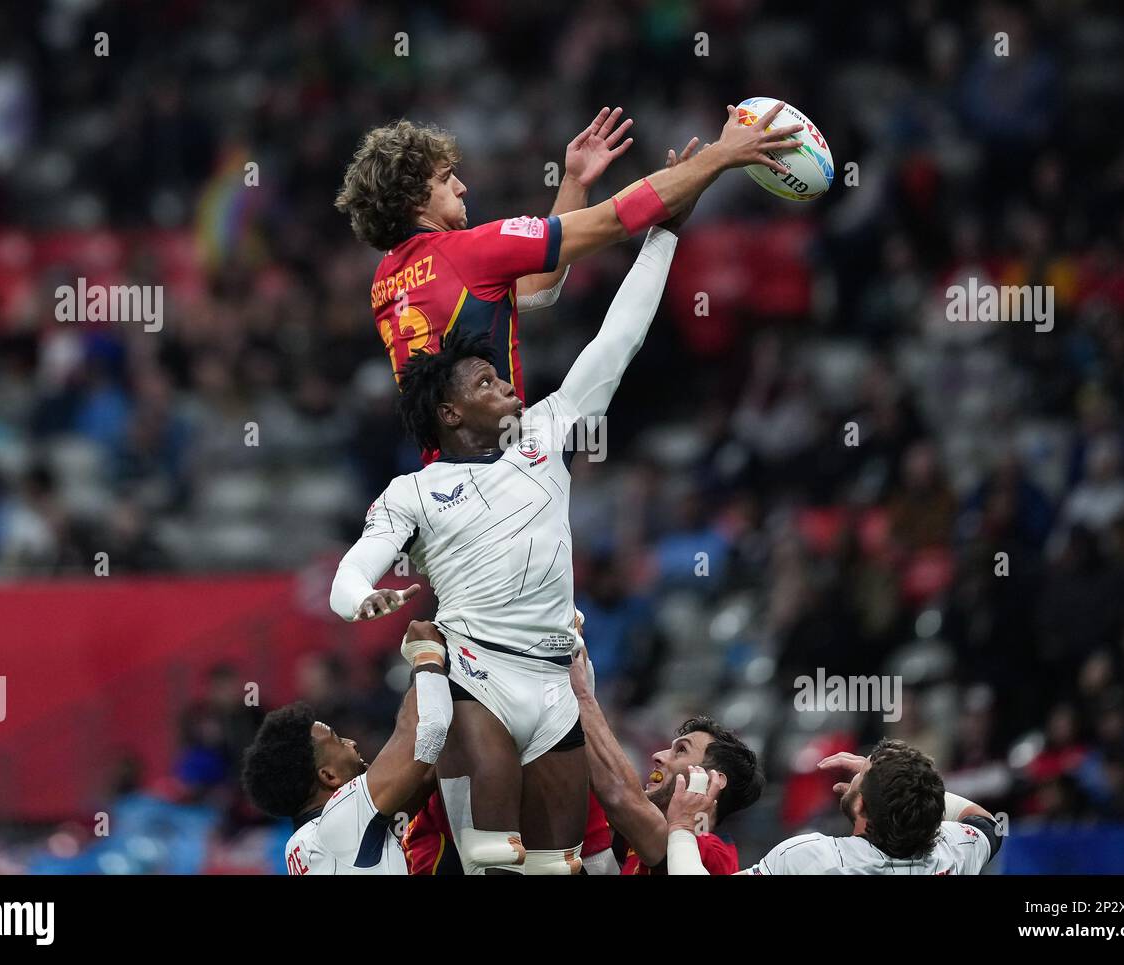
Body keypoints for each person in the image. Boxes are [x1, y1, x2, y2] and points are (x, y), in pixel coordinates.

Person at [328, 161, 697, 872]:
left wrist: (665, 240)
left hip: (554, 684)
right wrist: (357, 601)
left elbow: (617, 341)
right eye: (489, 382)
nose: (508, 385)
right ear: (451, 411)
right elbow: (353, 568)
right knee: (493, 859)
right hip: (476, 678)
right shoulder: (415, 491)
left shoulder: (547, 432)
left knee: (557, 867)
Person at [336, 105, 803, 407]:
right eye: (445, 178)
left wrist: (575, 182)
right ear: (415, 199)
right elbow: (614, 221)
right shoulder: (468, 251)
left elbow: (540, 289)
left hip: (443, 477)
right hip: (499, 471)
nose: (461, 186)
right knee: (610, 355)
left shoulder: (388, 277)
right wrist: (719, 156)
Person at [240, 644, 451, 875]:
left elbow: (421, 775)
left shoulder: (302, 846)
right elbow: (425, 734)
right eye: (338, 740)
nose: (352, 743)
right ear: (329, 776)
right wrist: (426, 653)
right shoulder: (337, 823)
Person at [665, 738, 1004, 875]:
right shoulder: (951, 852)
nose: (858, 770)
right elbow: (988, 823)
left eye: (864, 772)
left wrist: (682, 827)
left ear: (862, 806)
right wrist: (899, 784)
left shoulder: (816, 859)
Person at [569, 645, 761, 874]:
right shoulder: (635, 839)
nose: (657, 756)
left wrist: (583, 697)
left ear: (711, 782)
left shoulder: (716, 859)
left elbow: (619, 795)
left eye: (681, 751)